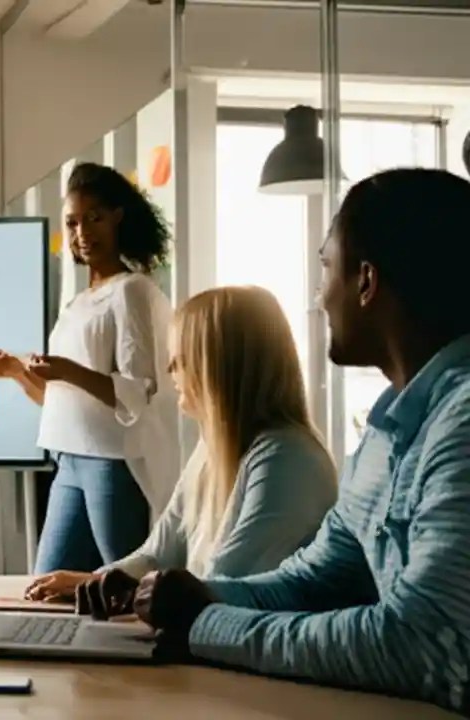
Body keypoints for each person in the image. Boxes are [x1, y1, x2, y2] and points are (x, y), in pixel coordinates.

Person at [108, 169, 470, 715]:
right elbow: (315, 580)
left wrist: (206, 621)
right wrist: (204, 597)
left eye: (326, 267)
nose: (319, 296)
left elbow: (420, 644)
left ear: (366, 281)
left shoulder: (461, 423)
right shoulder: (384, 434)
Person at [23, 286, 336, 604]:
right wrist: (95, 582)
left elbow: (219, 589)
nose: (170, 368)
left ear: (223, 362)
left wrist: (120, 592)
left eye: (183, 356)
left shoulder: (286, 461)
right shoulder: (211, 452)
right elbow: (157, 553)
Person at [0, 162, 180, 574]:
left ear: (119, 217)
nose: (82, 233)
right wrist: (16, 371)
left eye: (93, 219)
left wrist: (67, 370)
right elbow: (60, 402)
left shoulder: (132, 291)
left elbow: (138, 390)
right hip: (68, 459)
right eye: (72, 223)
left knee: (122, 591)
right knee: (44, 586)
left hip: (112, 464)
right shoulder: (78, 303)